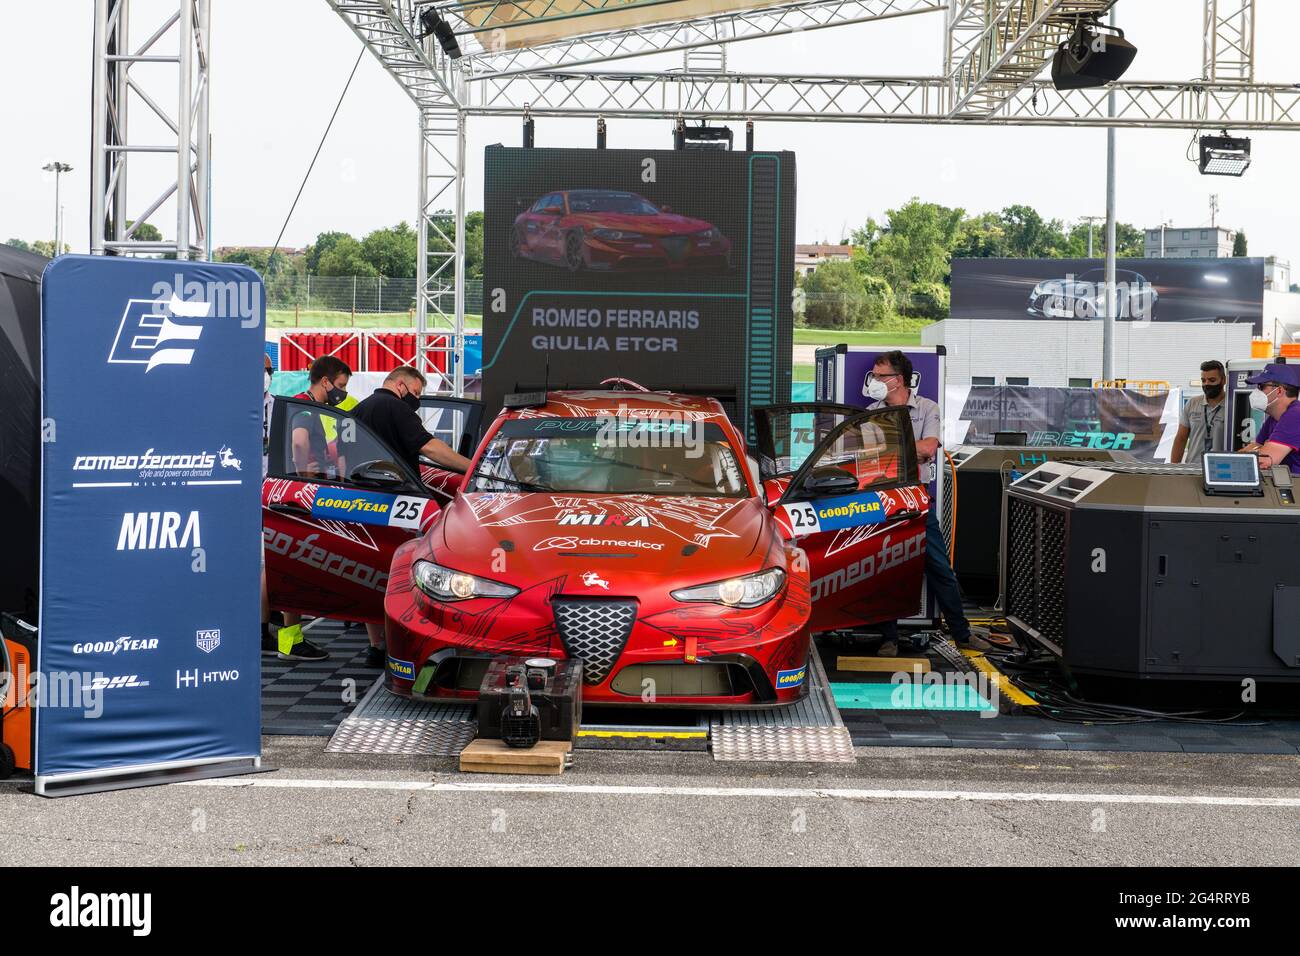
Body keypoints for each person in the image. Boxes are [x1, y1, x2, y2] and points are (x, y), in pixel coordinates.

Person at [349, 366, 471, 666]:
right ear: (401, 385)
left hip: (361, 501)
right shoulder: (396, 408)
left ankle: (375, 646)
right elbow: (430, 448)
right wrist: (471, 467)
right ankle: (407, 641)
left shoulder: (358, 410)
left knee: (370, 571)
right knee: (406, 571)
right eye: (416, 393)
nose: (416, 400)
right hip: (399, 502)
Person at [865, 350, 975, 651]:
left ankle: (963, 635)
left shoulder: (928, 408)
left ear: (897, 380)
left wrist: (890, 449)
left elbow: (927, 449)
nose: (874, 380)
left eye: (879, 376)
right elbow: (870, 460)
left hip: (916, 496)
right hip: (883, 499)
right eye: (874, 375)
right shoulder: (871, 413)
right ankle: (889, 638)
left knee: (939, 567)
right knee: (885, 569)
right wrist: (899, 451)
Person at [263, 355, 353, 662]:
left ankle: (269, 633)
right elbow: (299, 442)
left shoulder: (302, 405)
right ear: (325, 381)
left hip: (289, 490)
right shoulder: (305, 407)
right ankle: (290, 641)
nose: (341, 391)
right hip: (300, 494)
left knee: (277, 567)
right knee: (293, 568)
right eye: (340, 385)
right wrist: (303, 476)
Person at [1240, 363, 1300, 476]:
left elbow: (1263, 462)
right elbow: (1253, 447)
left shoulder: (1295, 415)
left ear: (1279, 391)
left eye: (1261, 387)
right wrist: (1261, 448)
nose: (1256, 391)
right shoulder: (1275, 418)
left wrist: (1261, 450)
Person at [1171, 360, 1228, 464]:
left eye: (1212, 380)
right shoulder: (1192, 403)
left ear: (1223, 380)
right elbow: (1181, 438)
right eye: (1203, 380)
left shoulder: (1231, 406)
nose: (1207, 384)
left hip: (1222, 469)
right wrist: (1174, 469)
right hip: (1193, 468)